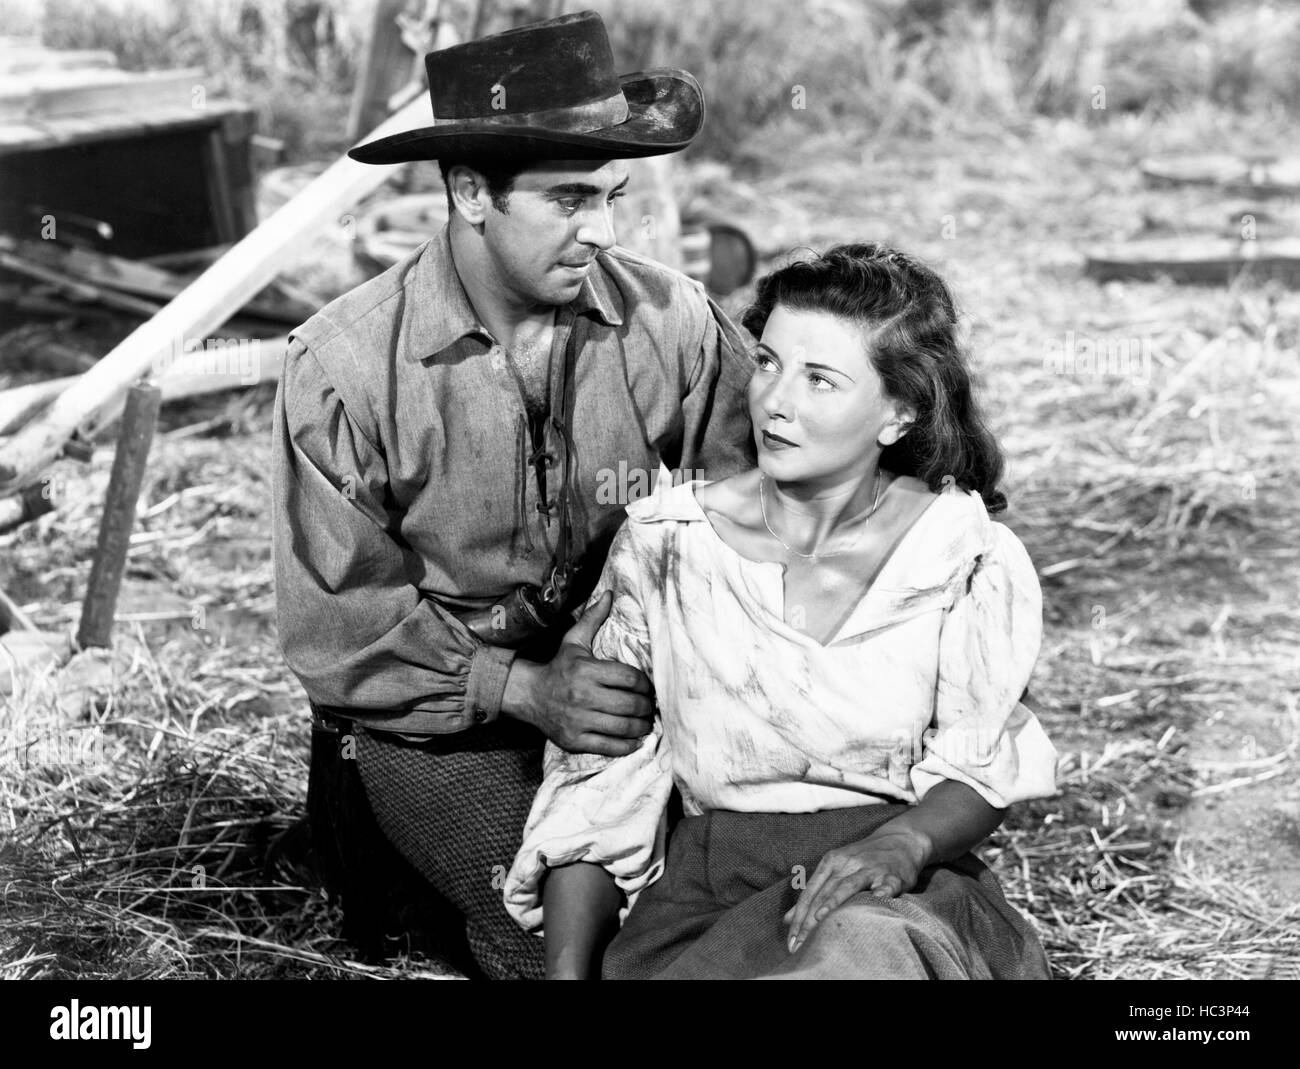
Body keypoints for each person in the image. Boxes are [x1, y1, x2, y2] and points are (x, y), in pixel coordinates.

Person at [270, 10, 754, 980]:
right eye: (570, 198)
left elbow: (754, 504)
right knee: (554, 938)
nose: (603, 231)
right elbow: (341, 628)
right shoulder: (344, 368)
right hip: (445, 717)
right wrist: (525, 687)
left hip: (638, 687)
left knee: (743, 907)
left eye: (613, 195)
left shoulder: (671, 321)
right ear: (468, 193)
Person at [504, 243, 1059, 979]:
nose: (775, 400)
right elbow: (600, 793)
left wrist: (903, 844)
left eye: (821, 380)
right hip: (712, 904)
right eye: (767, 363)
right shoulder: (669, 545)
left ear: (899, 412)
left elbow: (980, 763)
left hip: (895, 892)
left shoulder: (961, 553)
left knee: (861, 949)